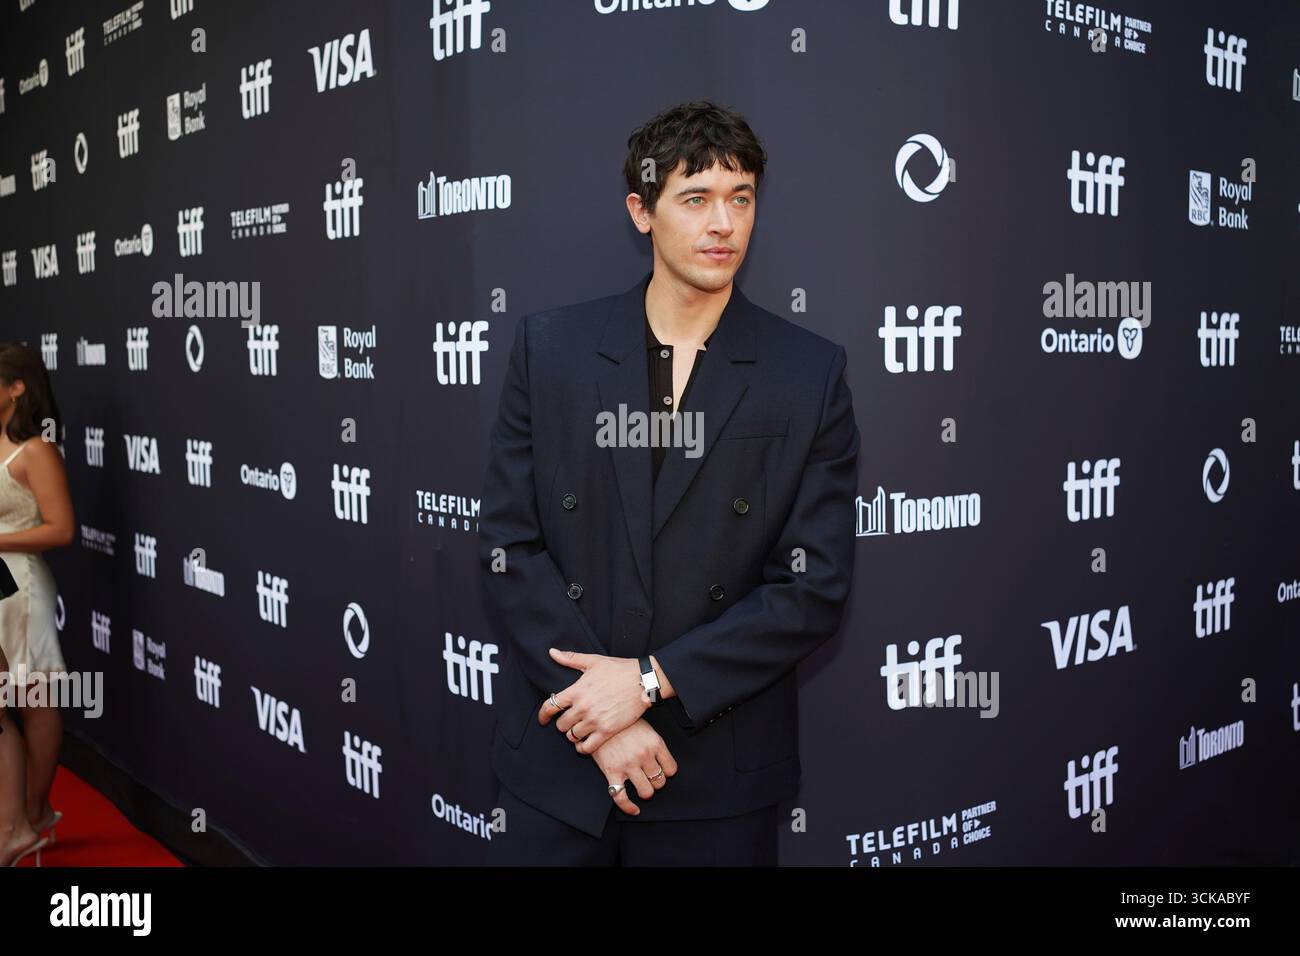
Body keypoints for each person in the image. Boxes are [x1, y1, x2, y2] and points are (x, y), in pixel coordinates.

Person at [478, 100, 860, 865]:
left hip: (716, 775)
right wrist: (604, 717)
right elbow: (509, 546)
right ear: (641, 211)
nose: (724, 223)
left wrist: (652, 682)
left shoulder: (808, 373)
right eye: (695, 198)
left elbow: (811, 587)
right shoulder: (552, 350)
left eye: (740, 198)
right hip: (561, 758)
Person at [0, 342, 75, 867]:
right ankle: (21, 821)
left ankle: (33, 814)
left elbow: (62, 528)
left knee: (34, 699)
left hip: (21, 587)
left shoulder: (36, 451)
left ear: (16, 387)